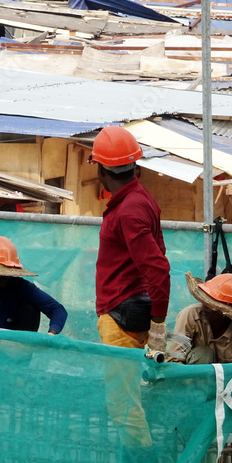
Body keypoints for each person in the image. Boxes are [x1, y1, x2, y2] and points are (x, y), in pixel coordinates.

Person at [91, 126, 170, 352]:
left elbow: (158, 268)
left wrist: (158, 324)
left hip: (120, 318)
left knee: (122, 388)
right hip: (130, 310)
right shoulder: (140, 199)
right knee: (137, 385)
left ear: (101, 171)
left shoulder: (129, 210)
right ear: (134, 165)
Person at [172, 272, 232, 364]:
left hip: (226, 377)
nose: (204, 306)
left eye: (211, 306)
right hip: (191, 375)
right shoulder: (190, 315)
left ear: (227, 314)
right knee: (203, 354)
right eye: (205, 301)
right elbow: (174, 360)